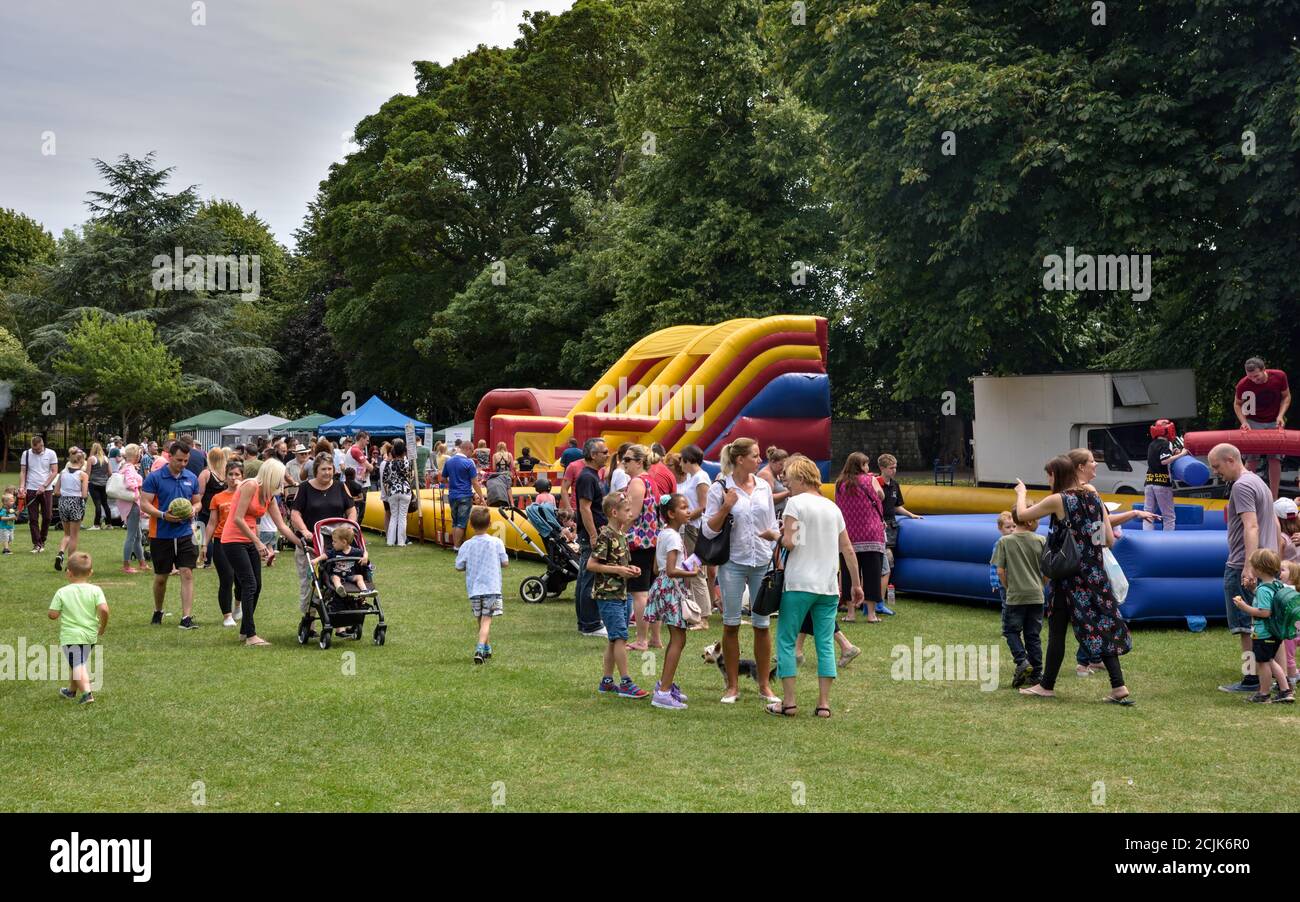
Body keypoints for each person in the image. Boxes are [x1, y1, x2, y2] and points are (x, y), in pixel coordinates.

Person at [1014, 456, 1133, 704]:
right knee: (1101, 625)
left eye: (1048, 476)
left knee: (1057, 631)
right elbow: (1108, 540)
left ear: (1056, 475)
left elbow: (1022, 515)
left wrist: (1021, 492)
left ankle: (1046, 686)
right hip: (1095, 573)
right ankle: (1118, 685)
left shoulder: (1059, 499)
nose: (1048, 480)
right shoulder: (1093, 497)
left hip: (1068, 576)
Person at [771, 454, 864, 718]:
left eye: (789, 479)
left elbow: (791, 543)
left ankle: (789, 702)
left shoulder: (795, 504)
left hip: (799, 583)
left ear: (800, 478)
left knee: (786, 640)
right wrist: (856, 585)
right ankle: (824, 704)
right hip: (828, 586)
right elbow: (847, 549)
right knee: (825, 643)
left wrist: (775, 535)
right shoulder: (832, 508)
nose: (787, 485)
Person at [703, 438, 780, 704]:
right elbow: (708, 530)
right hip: (733, 561)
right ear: (739, 459)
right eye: (755, 456)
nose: (760, 460)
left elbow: (771, 524)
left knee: (762, 624)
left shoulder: (763, 486)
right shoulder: (720, 488)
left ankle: (764, 685)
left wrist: (774, 551)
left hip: (762, 559)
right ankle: (732, 686)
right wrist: (726, 506)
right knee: (731, 623)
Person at [1209, 442, 1281, 693]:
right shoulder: (1259, 482)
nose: (1216, 472)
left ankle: (1250, 677)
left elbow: (1251, 526)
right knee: (1270, 623)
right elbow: (1274, 523)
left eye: (1217, 466)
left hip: (1243, 562)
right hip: (1267, 562)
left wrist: (1248, 567)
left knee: (1245, 627)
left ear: (1231, 460)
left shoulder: (1241, 486)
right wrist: (1276, 558)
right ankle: (1284, 676)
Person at [222, 459, 303, 646]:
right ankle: (251, 636)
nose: (282, 482)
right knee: (249, 584)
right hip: (233, 540)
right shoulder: (250, 486)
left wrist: (301, 543)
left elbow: (282, 526)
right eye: (280, 478)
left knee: (256, 585)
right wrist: (259, 542)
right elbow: (238, 518)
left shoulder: (269, 497)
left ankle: (245, 631)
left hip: (250, 540)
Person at [590, 491, 650, 699]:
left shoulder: (622, 535)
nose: (631, 513)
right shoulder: (606, 536)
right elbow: (592, 564)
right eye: (627, 510)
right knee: (620, 638)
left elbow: (620, 563)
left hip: (622, 594)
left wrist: (631, 569)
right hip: (608, 596)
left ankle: (606, 682)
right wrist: (618, 570)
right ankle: (626, 683)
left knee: (614, 639)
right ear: (614, 513)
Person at [139, 441, 203, 630]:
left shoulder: (191, 477)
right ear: (169, 457)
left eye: (186, 461)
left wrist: (193, 509)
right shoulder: (155, 477)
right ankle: (158, 610)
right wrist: (163, 515)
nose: (183, 464)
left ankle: (186, 617)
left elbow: (198, 502)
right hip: (161, 534)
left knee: (187, 573)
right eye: (179, 460)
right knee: (161, 577)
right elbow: (144, 503)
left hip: (186, 532)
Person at [290, 453, 356, 631]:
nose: (327, 472)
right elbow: (295, 513)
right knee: (310, 584)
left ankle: (340, 624)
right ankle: (310, 621)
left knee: (338, 580)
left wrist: (350, 526)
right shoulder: (305, 488)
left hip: (337, 546)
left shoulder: (340, 486)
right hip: (312, 545)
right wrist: (304, 530)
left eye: (330, 469)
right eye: (323, 469)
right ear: (315, 470)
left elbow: (351, 510)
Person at [1232, 548, 1300, 703]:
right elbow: (1269, 601)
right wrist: (1253, 589)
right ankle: (1285, 691)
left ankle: (1263, 694)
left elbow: (1264, 612)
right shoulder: (1276, 584)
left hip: (1264, 632)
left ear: (1259, 569)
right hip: (1274, 632)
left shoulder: (1263, 589)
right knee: (1270, 661)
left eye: (1253, 566)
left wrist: (1244, 607)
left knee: (1263, 663)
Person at [648, 493, 696, 709]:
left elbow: (656, 568)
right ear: (671, 513)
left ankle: (664, 684)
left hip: (663, 587)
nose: (688, 511)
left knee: (677, 638)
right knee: (678, 639)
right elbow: (670, 570)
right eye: (683, 507)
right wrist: (692, 572)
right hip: (671, 589)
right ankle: (664, 692)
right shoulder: (675, 537)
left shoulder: (664, 533)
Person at [993, 511, 1047, 688]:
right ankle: (1037, 673)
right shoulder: (1041, 540)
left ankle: (1022, 660)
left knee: (1010, 630)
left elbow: (1000, 571)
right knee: (1033, 635)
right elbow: (1048, 569)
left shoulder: (1004, 541)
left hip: (1016, 596)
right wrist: (1041, 585)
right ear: (1030, 522)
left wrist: (1009, 587)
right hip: (1036, 595)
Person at [47, 551, 108, 705]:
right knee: (77, 663)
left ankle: (87, 693)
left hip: (71, 637)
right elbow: (104, 610)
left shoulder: (62, 592)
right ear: (91, 572)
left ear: (68, 573)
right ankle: (71, 691)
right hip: (90, 636)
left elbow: (52, 614)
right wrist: (102, 627)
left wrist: (54, 613)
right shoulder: (96, 590)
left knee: (77, 665)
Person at [834, 452, 887, 623]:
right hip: (871, 534)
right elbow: (881, 496)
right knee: (872, 574)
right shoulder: (870, 480)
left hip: (848, 535)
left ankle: (850, 613)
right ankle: (871, 614)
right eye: (866, 464)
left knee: (848, 574)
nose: (868, 467)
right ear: (861, 466)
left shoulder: (839, 483)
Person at [619, 445, 661, 651]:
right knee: (651, 592)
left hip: (639, 543)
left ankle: (642, 640)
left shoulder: (637, 482)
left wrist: (617, 534)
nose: (623, 463)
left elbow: (632, 514)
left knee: (639, 593)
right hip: (653, 542)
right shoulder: (650, 480)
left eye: (627, 459)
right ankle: (655, 638)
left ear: (639, 462)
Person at [456, 506, 509, 664]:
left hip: (474, 589)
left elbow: (459, 566)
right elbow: (505, 562)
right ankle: (480, 648)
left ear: (471, 525)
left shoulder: (467, 545)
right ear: (490, 524)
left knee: (480, 618)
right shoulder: (496, 542)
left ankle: (487, 648)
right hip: (491, 588)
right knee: (487, 619)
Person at [1234, 357, 1291, 499]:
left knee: (1275, 458)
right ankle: (1246, 495)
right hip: (1253, 421)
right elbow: (1237, 404)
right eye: (1250, 377)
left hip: (1274, 420)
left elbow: (1286, 396)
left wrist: (1281, 415)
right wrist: (1244, 422)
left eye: (1256, 376)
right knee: (1252, 459)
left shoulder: (1279, 376)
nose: (1254, 380)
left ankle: (1274, 498)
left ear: (1264, 369)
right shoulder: (1243, 384)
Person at [574, 438, 612, 638]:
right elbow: (585, 508)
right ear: (593, 455)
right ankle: (590, 624)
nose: (607, 454)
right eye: (604, 452)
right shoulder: (587, 477)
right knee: (590, 578)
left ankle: (587, 622)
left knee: (585, 578)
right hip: (592, 534)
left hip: (595, 532)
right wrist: (593, 535)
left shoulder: (593, 475)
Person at [876, 453, 920, 614]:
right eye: (891, 468)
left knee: (888, 560)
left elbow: (896, 506)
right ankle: (877, 599)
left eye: (895, 467)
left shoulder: (894, 485)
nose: (894, 470)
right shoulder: (875, 483)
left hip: (891, 525)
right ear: (882, 468)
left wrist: (911, 515)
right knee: (886, 559)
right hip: (879, 524)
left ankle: (880, 597)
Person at [675, 444, 712, 625]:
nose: (680, 464)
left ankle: (703, 617)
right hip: (690, 529)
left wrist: (685, 517)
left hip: (694, 530)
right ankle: (698, 614)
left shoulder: (700, 478)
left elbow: (704, 506)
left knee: (695, 571)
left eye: (681, 460)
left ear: (688, 460)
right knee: (692, 570)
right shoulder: (693, 477)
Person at [208, 460, 245, 627]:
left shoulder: (247, 496)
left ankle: (238, 606)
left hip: (242, 540)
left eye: (237, 474)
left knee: (242, 578)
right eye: (230, 474)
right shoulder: (218, 497)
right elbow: (212, 522)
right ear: (225, 476)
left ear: (243, 476)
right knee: (226, 578)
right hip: (221, 541)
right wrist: (204, 544)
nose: (233, 478)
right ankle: (227, 616)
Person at [1143, 419, 1186, 530]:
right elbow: (1164, 460)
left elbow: (1159, 457)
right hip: (1162, 483)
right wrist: (1181, 454)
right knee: (1169, 516)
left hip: (1149, 482)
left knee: (1148, 513)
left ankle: (1146, 537)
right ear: (1168, 431)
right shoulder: (1166, 443)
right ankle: (1168, 539)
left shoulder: (1151, 444)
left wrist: (1173, 453)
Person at [441, 439, 485, 549]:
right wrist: (481, 497)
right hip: (465, 495)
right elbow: (475, 482)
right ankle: (457, 546)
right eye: (472, 451)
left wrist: (451, 482)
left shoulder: (449, 461)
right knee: (461, 523)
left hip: (452, 495)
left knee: (455, 522)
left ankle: (456, 545)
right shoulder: (469, 463)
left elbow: (442, 479)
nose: (472, 454)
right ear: (468, 449)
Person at [19, 435, 58, 553]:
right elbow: (23, 471)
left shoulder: (51, 453)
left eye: (37, 449)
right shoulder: (26, 454)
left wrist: (44, 486)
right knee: (33, 518)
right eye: (33, 449)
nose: (35, 451)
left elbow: (54, 471)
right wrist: (22, 487)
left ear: (42, 445)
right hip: (31, 489)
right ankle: (37, 544)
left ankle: (42, 540)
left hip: (47, 489)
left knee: (47, 517)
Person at [53, 449, 89, 573]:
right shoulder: (83, 475)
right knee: (74, 536)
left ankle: (60, 553)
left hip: (63, 502)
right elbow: (84, 494)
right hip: (76, 503)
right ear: (81, 461)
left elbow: (56, 492)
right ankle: (70, 564)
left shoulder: (63, 473)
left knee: (66, 534)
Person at [313, 523, 371, 597]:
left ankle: (364, 590)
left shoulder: (355, 551)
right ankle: (339, 588)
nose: (332, 543)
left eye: (335, 541)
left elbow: (364, 552)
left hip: (350, 575)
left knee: (359, 577)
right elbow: (325, 555)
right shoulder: (334, 551)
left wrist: (365, 557)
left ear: (344, 542)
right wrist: (317, 559)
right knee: (335, 578)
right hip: (337, 574)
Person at [115, 444, 148, 573]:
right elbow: (130, 483)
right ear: (136, 455)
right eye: (139, 453)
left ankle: (142, 562)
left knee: (137, 536)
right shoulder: (129, 468)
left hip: (130, 504)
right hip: (132, 505)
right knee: (132, 536)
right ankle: (126, 565)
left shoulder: (125, 466)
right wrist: (138, 487)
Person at [195, 447, 227, 569]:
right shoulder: (225, 474)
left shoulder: (206, 473)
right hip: (222, 508)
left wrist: (196, 506)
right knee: (218, 535)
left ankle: (206, 560)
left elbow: (200, 493)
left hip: (206, 508)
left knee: (204, 535)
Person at [383, 438, 414, 547]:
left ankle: (390, 541)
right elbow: (411, 477)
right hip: (405, 490)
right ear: (404, 451)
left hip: (392, 491)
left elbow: (385, 479)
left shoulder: (389, 464)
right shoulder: (407, 463)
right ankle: (401, 541)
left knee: (393, 516)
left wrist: (388, 491)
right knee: (402, 517)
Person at [757, 447, 791, 520]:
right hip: (773, 518)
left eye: (784, 465)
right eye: (780, 464)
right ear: (772, 462)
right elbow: (768, 498)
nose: (783, 468)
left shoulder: (776, 473)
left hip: (778, 517)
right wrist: (788, 493)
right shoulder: (765, 475)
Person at [85, 442, 114, 530]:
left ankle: (96, 524)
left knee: (97, 503)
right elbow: (110, 473)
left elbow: (87, 473)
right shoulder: (106, 459)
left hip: (94, 483)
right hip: (104, 483)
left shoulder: (91, 459)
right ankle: (109, 524)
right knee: (105, 504)